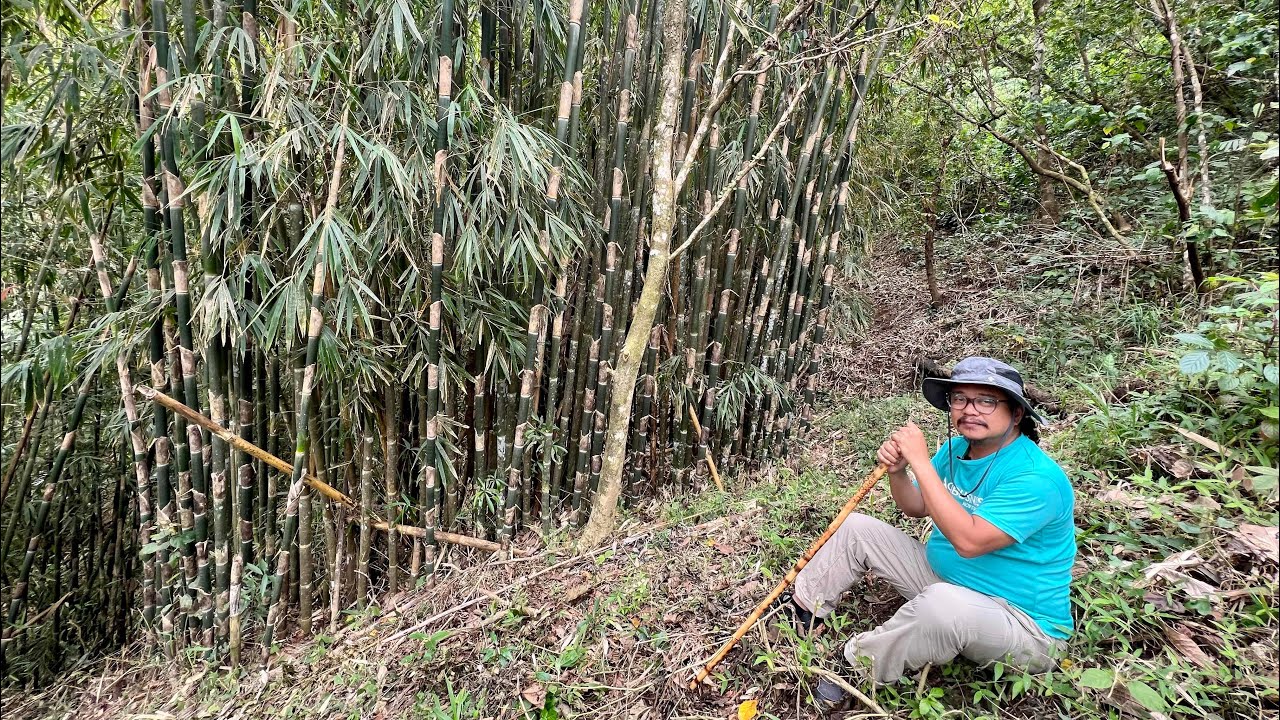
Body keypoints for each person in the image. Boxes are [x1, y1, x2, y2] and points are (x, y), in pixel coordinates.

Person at [787, 356, 1076, 706]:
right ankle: (804, 613)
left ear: (1016, 413)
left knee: (942, 607)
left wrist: (921, 462)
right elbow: (915, 507)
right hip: (947, 581)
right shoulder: (956, 449)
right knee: (857, 528)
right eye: (960, 399)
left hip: (1021, 625)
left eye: (986, 400)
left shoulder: (1037, 478)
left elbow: (969, 542)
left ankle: (857, 668)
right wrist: (898, 471)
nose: (970, 410)